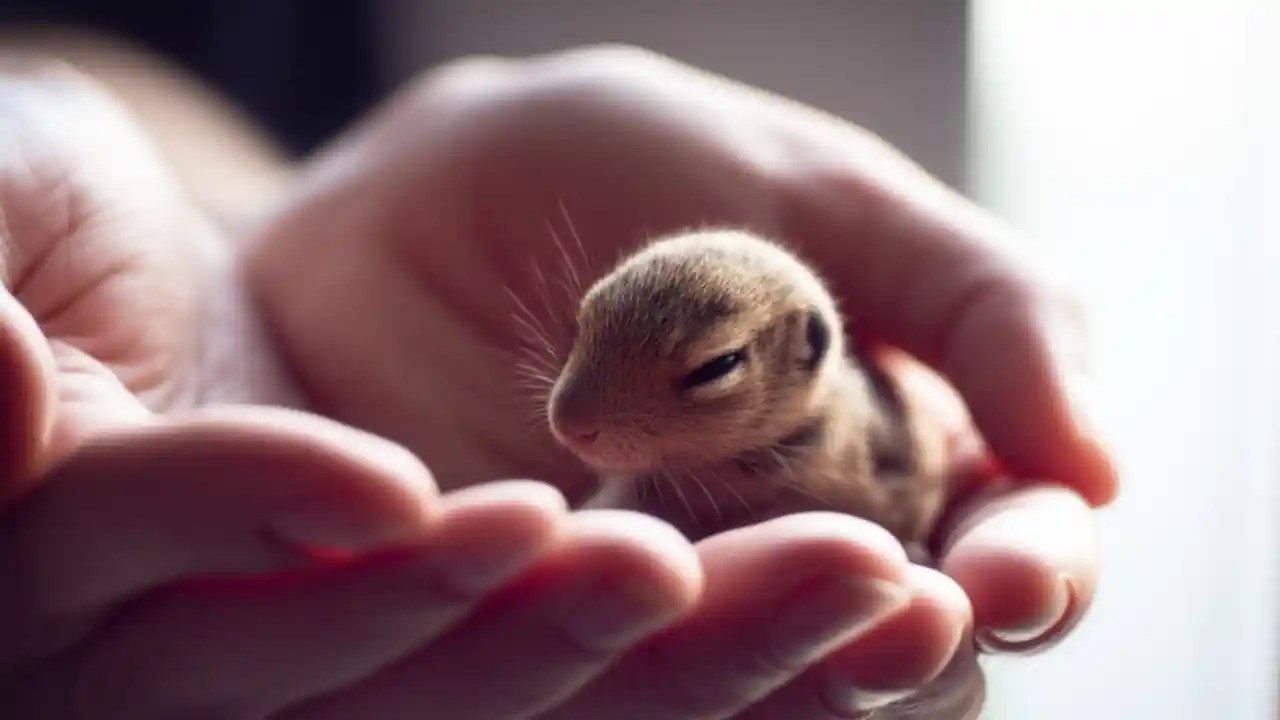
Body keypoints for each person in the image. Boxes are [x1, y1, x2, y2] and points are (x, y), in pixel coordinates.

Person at [0, 30, 1114, 720]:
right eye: (584, 336)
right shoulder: (631, 451)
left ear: (800, 360)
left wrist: (244, 227)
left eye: (709, 375)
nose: (572, 416)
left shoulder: (858, 448)